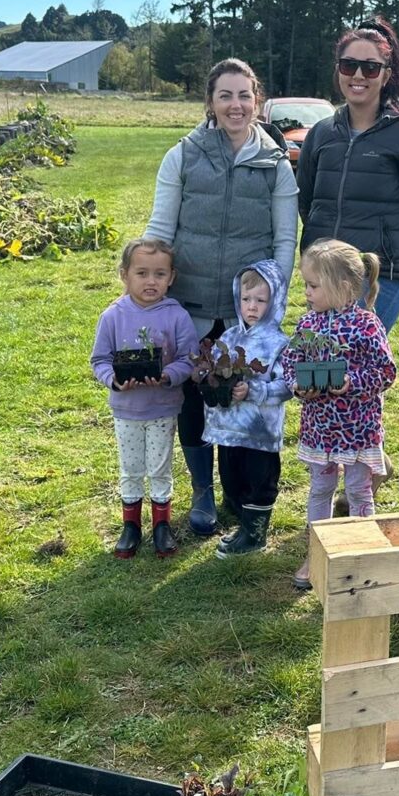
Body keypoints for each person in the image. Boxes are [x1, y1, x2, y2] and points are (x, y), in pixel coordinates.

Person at [147, 59, 299, 538]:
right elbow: (160, 227)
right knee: (194, 397)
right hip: (190, 304)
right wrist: (149, 295)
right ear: (210, 102)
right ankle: (202, 492)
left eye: (244, 96)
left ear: (257, 100)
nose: (236, 106)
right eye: (225, 96)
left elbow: (283, 240)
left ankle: (238, 489)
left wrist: (272, 304)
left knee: (238, 397)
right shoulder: (183, 155)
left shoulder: (275, 163)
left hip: (245, 312)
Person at [295, 16, 399, 334]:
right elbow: (308, 204)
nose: (359, 75)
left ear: (387, 75)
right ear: (338, 69)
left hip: (380, 277)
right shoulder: (321, 134)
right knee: (324, 371)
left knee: (359, 371)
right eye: (349, 65)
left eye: (371, 67)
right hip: (325, 275)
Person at [280, 239, 397, 591]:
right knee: (320, 490)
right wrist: (298, 387)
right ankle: (318, 555)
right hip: (321, 429)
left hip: (358, 429)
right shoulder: (307, 325)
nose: (307, 291)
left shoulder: (366, 326)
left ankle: (361, 554)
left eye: (313, 285)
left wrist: (352, 382)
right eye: (306, 284)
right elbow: (290, 364)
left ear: (343, 287)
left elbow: (385, 372)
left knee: (360, 492)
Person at [89, 237, 200, 559]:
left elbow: (188, 357)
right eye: (142, 273)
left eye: (160, 274)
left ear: (172, 277)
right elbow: (100, 360)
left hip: (163, 407)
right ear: (124, 275)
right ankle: (131, 525)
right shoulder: (112, 316)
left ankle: (162, 525)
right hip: (126, 409)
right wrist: (113, 380)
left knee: (160, 466)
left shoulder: (176, 316)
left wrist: (168, 376)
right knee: (131, 467)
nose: (151, 281)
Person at [201, 260, 292, 558]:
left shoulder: (278, 343)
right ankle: (243, 526)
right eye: (246, 299)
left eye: (260, 300)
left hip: (259, 432)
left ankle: (254, 536)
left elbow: (287, 386)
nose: (251, 306)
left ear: (275, 301)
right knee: (232, 477)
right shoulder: (228, 338)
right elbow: (214, 370)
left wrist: (254, 389)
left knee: (259, 481)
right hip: (228, 429)